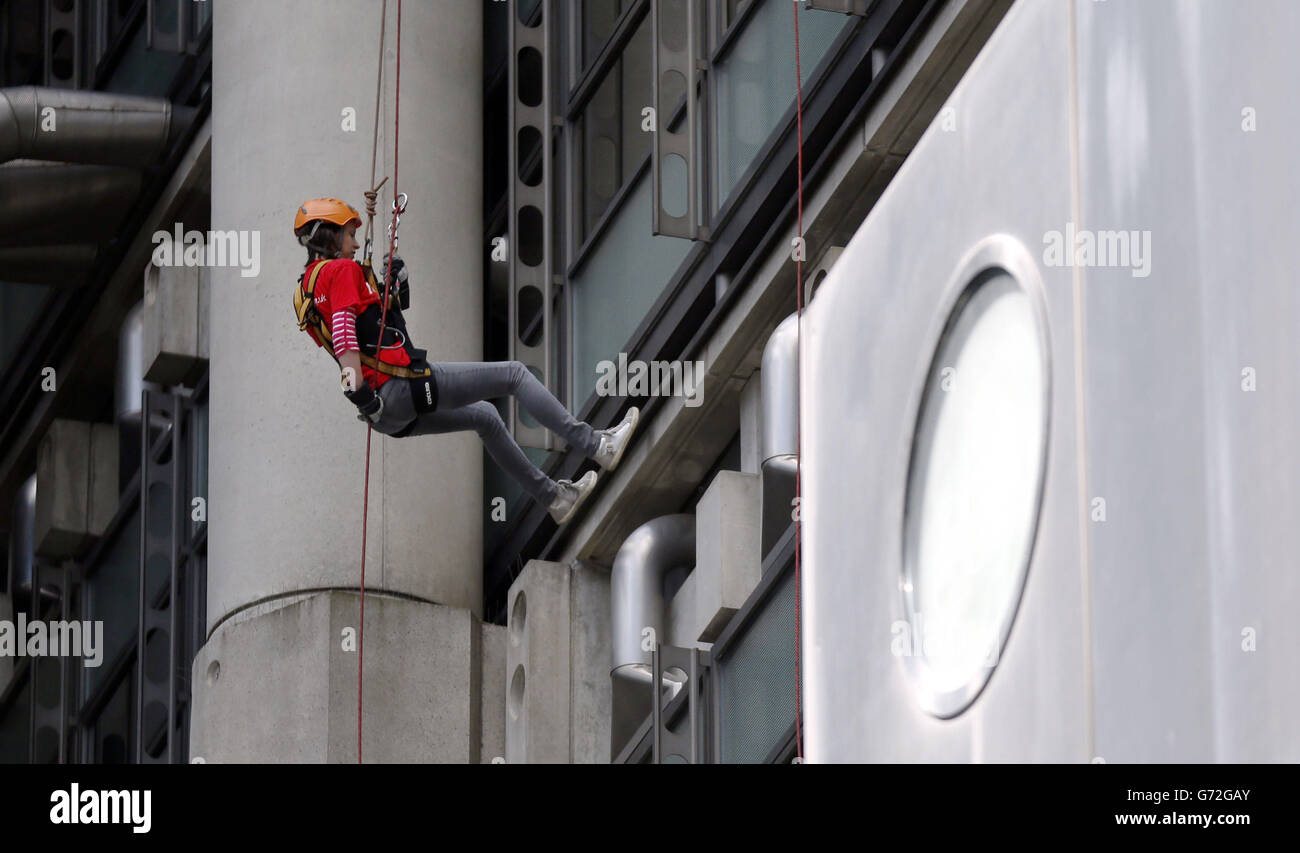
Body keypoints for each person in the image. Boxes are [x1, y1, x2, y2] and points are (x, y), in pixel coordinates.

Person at [291, 197, 638, 524]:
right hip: (394, 389)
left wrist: (393, 288)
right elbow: (347, 340)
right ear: (330, 235)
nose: (354, 243)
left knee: (486, 417)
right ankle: (598, 445)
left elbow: (373, 328)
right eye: (350, 234)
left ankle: (556, 500)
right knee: (515, 375)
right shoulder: (341, 271)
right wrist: (363, 392)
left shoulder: (305, 292)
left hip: (385, 416)